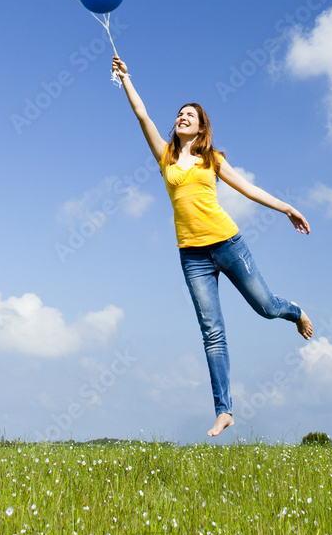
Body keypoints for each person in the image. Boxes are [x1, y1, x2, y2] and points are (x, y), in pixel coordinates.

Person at [112, 55, 313, 438]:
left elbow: (248, 189)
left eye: (190, 115)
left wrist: (286, 207)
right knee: (212, 331)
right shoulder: (165, 156)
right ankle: (224, 410)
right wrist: (125, 78)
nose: (182, 117)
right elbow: (142, 115)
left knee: (267, 308)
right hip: (192, 255)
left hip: (228, 244)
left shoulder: (212, 159)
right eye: (179, 114)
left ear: (201, 126)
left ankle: (296, 311)